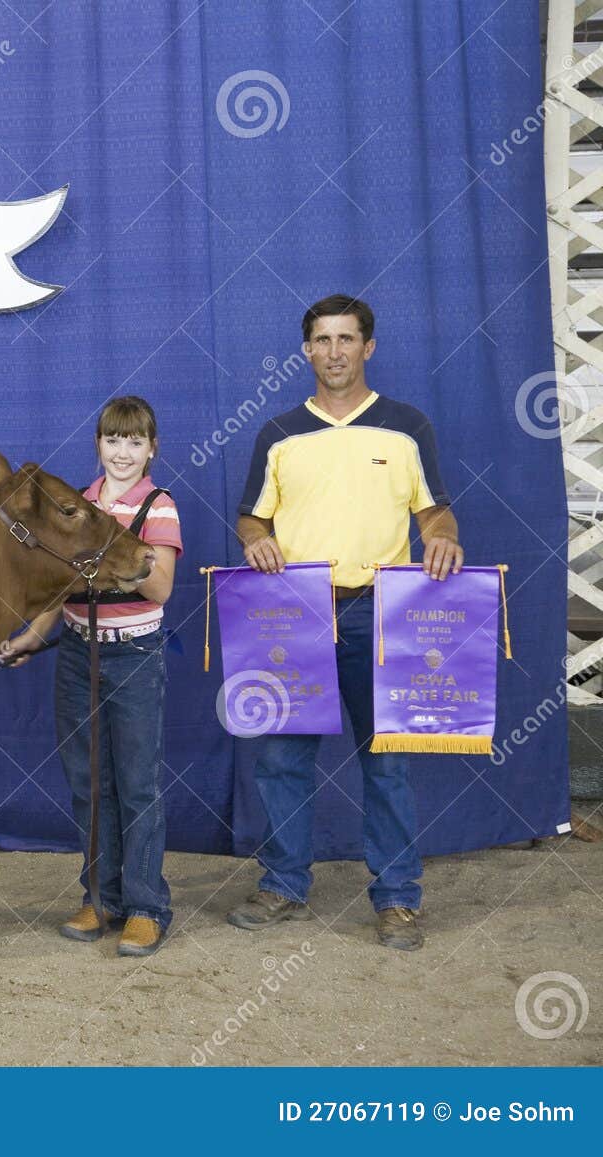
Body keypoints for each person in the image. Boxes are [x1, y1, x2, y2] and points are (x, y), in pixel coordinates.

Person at [231, 293, 463, 951]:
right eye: (323, 339)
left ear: (369, 346)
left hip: (382, 611)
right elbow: (252, 514)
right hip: (296, 610)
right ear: (306, 350)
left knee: (386, 760)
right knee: (282, 758)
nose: (335, 351)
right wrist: (253, 538)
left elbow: (435, 512)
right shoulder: (278, 433)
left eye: (347, 338)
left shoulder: (406, 426)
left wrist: (446, 536)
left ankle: (397, 900)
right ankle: (282, 884)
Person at [0, 396, 182, 957]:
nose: (122, 452)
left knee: (137, 785)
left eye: (134, 442)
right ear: (97, 444)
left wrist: (110, 563)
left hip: (133, 655)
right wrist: (33, 634)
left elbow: (161, 587)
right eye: (112, 440)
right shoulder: (76, 504)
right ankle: (100, 897)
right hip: (79, 655)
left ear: (151, 449)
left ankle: (146, 906)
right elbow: (60, 585)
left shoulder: (159, 505)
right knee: (89, 783)